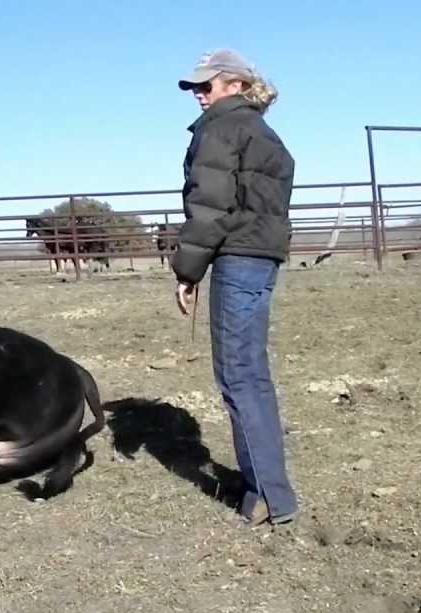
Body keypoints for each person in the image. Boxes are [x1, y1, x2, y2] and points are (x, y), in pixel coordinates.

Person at [169, 48, 300, 527]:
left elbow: (210, 204)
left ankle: (268, 495)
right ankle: (269, 489)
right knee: (253, 374)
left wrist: (188, 269)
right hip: (262, 260)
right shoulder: (263, 132)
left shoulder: (222, 129)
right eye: (195, 88)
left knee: (239, 376)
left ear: (237, 85)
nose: (199, 95)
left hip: (238, 260)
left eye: (208, 85)